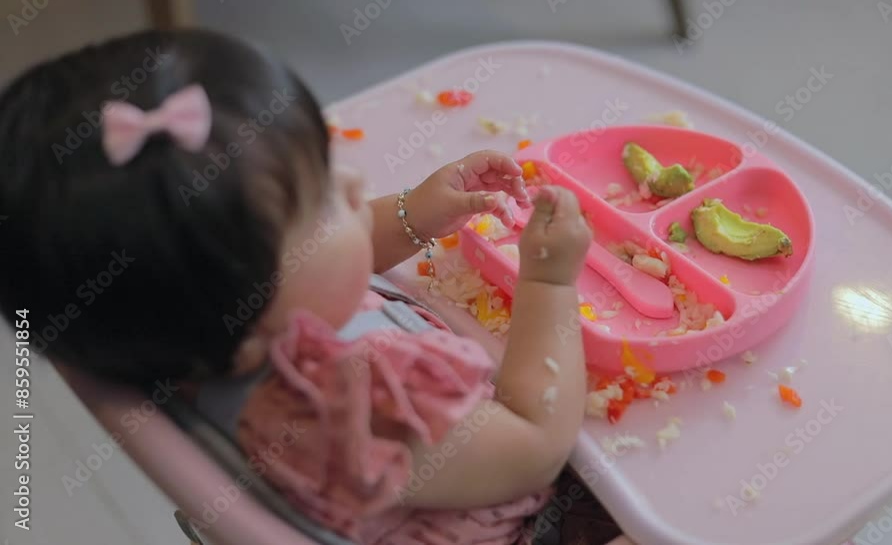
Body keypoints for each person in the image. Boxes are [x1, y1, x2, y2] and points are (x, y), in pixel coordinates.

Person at [0, 28, 634, 544]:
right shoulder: (355, 410)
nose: (356, 186)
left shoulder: (204, 327)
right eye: (325, 198)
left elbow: (331, 272)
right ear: (250, 325)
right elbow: (535, 445)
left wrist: (416, 210)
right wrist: (549, 280)